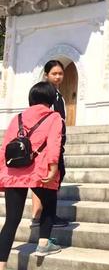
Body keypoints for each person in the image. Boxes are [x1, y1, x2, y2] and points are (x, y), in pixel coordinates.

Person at [0, 82, 64, 265]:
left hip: (14, 171)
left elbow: (5, 147)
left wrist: (1, 172)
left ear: (32, 98)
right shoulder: (54, 117)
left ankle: (1, 265)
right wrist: (53, 168)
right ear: (52, 99)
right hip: (40, 170)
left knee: (11, 221)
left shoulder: (17, 117)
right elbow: (54, 143)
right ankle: (43, 243)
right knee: (50, 203)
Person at [31, 60, 69, 228]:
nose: (58, 76)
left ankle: (43, 214)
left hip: (57, 142)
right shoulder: (45, 94)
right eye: (54, 73)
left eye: (60, 73)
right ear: (46, 75)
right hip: (48, 144)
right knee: (49, 179)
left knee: (55, 178)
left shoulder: (58, 94)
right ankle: (45, 216)